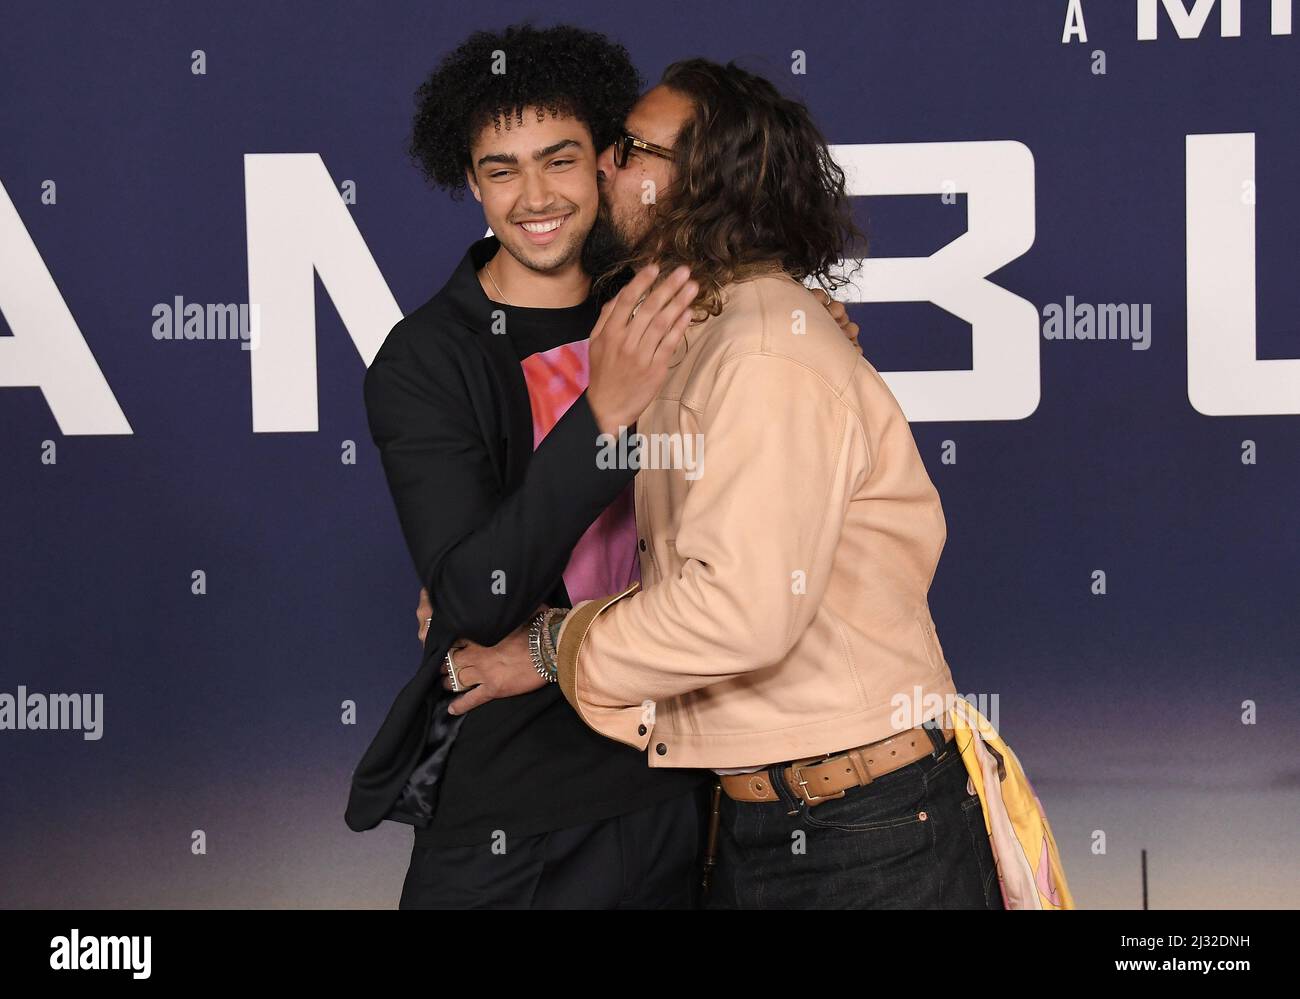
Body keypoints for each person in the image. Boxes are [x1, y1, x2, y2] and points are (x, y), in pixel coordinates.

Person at [444, 59, 1004, 910]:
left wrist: (547, 646)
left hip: (867, 838)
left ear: (698, 182)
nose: (602, 162)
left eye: (630, 149)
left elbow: (737, 610)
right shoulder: (707, 333)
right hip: (771, 819)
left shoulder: (761, 353)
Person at [347, 26, 857, 909]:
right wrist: (602, 412)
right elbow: (472, 598)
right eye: (501, 170)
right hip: (517, 805)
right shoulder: (426, 359)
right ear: (469, 183)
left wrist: (803, 317)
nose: (535, 196)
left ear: (608, 164)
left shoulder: (671, 297)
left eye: (561, 159)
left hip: (678, 783)